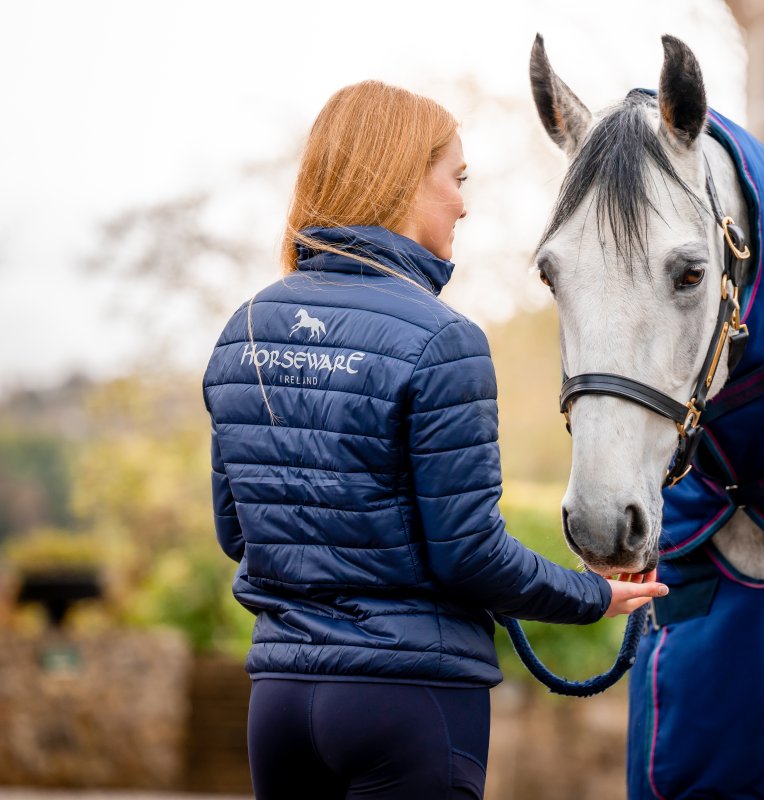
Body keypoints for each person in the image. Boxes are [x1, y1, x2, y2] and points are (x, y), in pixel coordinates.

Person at [201, 80, 667, 800]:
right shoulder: (442, 340)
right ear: (401, 180)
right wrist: (590, 595)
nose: (464, 203)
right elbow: (469, 555)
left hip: (280, 703)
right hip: (406, 703)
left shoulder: (246, 330)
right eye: (456, 178)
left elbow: (240, 534)